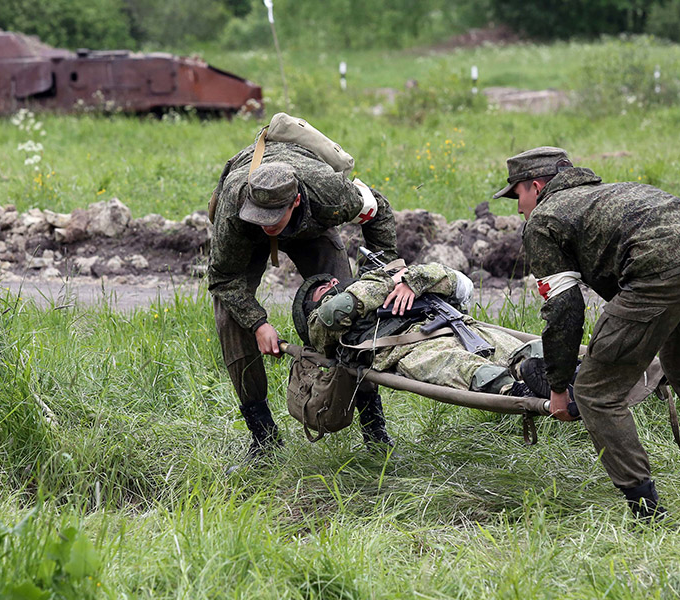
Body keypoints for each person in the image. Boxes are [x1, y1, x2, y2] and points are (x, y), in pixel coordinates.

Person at [494, 146, 680, 519]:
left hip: (663, 267)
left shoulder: (545, 219)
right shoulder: (612, 194)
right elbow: (638, 262)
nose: (518, 207)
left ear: (535, 187)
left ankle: (647, 513)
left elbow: (564, 311)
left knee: (596, 392)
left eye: (517, 195)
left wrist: (558, 388)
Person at [208, 135, 400, 463]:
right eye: (261, 215)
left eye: (274, 217)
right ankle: (263, 437)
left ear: (295, 200)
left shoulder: (331, 192)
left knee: (349, 310)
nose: (268, 224)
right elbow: (223, 279)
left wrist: (377, 279)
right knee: (230, 316)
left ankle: (374, 430)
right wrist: (258, 323)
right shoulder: (235, 204)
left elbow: (378, 211)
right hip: (244, 234)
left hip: (312, 228)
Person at [293, 262, 550, 399]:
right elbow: (337, 310)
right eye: (322, 288)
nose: (334, 282)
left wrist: (413, 281)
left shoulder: (396, 281)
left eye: (332, 280)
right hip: (407, 346)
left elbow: (456, 281)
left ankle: (562, 377)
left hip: (456, 325)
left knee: (526, 351)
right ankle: (519, 391)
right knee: (466, 368)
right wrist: (389, 281)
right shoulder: (320, 321)